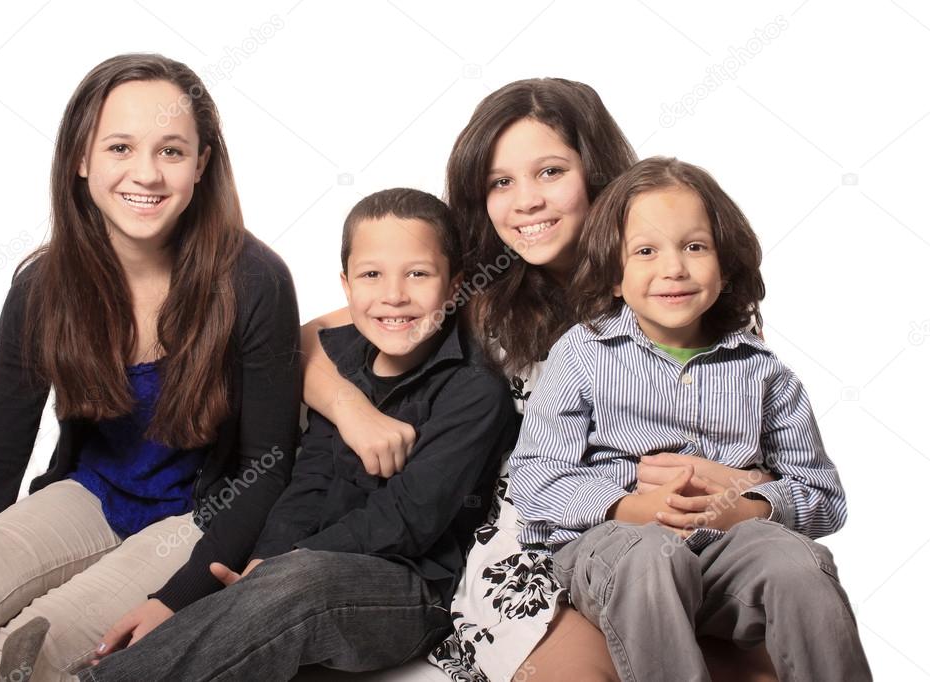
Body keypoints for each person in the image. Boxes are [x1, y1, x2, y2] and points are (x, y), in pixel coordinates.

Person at [302, 79, 777, 681]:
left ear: (596, 173)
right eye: (501, 182)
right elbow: (310, 341)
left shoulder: (673, 282)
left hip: (681, 536)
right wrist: (353, 410)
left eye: (549, 172)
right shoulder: (474, 293)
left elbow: (769, 447)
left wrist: (744, 482)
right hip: (534, 545)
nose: (525, 201)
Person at [0, 53, 301, 682]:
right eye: (120, 146)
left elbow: (266, 464)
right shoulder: (43, 286)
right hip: (88, 495)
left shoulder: (254, 280)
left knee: (27, 647)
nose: (145, 172)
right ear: (81, 160)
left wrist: (183, 591)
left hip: (190, 520)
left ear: (202, 165)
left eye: (171, 151)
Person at [73, 188, 518, 681]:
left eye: (418, 273)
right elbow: (305, 485)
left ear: (454, 285)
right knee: (248, 583)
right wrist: (267, 557)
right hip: (301, 571)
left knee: (298, 581)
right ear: (346, 287)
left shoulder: (474, 390)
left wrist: (286, 565)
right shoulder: (340, 366)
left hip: (408, 591)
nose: (394, 294)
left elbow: (409, 520)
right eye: (372, 274)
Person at [509, 156, 872, 681]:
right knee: (655, 557)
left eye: (694, 247)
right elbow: (536, 474)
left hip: (728, 551)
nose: (673, 268)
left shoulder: (763, 372)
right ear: (615, 275)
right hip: (615, 549)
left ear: (724, 269)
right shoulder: (584, 353)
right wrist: (632, 507)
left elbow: (824, 498)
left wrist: (744, 507)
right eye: (646, 251)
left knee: (800, 566)